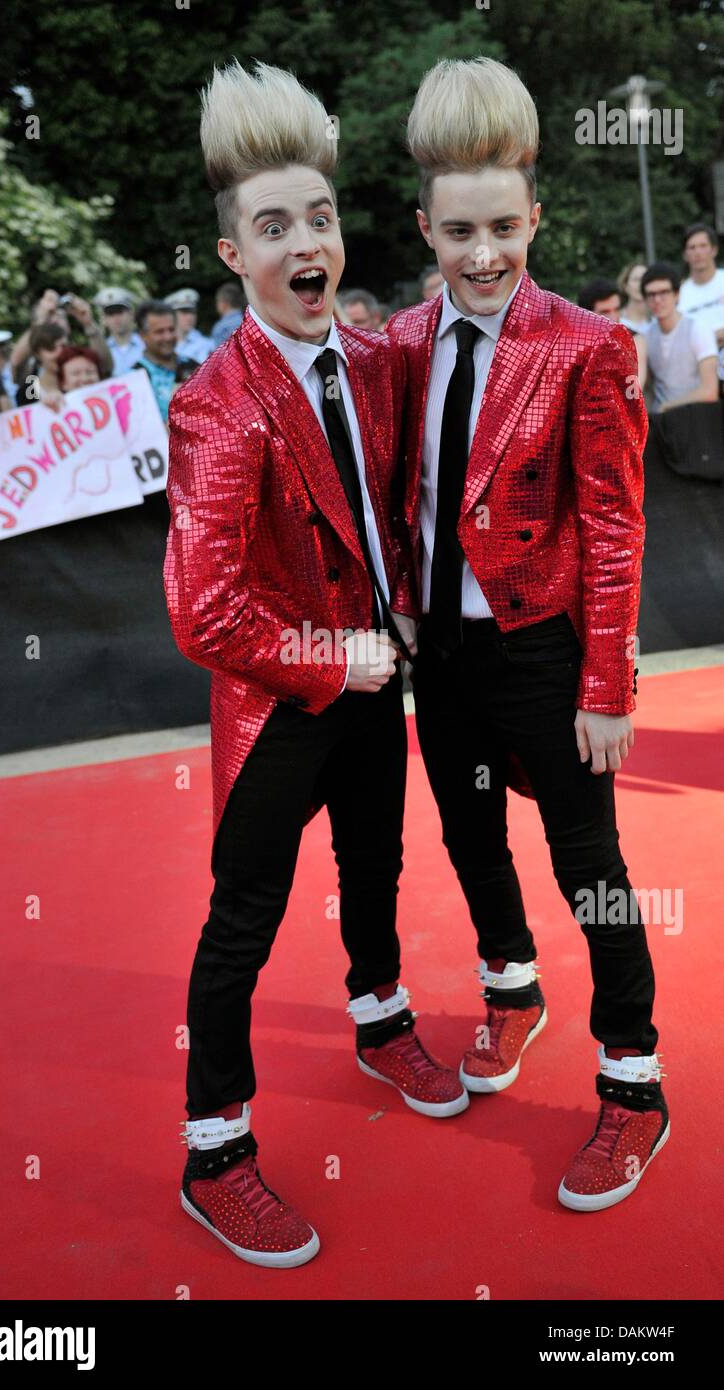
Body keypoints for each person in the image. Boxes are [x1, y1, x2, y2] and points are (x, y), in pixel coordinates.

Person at [162, 58, 467, 1270]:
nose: (306, 241)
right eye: (273, 225)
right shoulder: (213, 406)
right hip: (278, 705)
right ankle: (213, 1153)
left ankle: (379, 1014)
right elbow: (202, 610)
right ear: (232, 252)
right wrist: (327, 656)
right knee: (243, 920)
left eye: (321, 218)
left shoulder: (378, 360)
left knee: (377, 863)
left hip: (375, 689)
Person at [386, 55, 669, 1213]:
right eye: (460, 232)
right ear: (425, 225)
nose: (485, 253)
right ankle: (511, 985)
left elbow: (613, 526)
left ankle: (635, 1078)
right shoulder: (398, 342)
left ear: (536, 215)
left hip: (548, 652)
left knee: (590, 865)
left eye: (505, 225)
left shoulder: (587, 346)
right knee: (467, 835)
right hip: (442, 658)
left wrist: (607, 685)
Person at [642, 262, 719, 414]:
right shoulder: (646, 335)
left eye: (664, 292)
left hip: (698, 415)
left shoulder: (697, 328)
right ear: (645, 299)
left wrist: (667, 407)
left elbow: (710, 391)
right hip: (661, 424)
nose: (657, 300)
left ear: (677, 294)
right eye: (651, 294)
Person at [135, 300, 198, 424]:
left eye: (171, 329)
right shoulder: (136, 378)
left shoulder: (194, 366)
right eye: (160, 332)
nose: (168, 337)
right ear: (143, 335)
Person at [678, 222, 724, 390]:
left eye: (703, 246)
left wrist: (706, 339)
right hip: (698, 371)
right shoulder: (680, 294)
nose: (698, 252)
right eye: (692, 247)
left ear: (714, 250)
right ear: (685, 254)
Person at [94, 287, 145, 375]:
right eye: (110, 314)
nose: (116, 318)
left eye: (120, 312)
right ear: (104, 320)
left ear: (131, 314)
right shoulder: (101, 351)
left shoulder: (147, 344)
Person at [164, 288, 214, 363]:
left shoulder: (206, 344)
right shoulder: (163, 342)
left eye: (193, 312)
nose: (190, 317)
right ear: (171, 315)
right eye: (184, 312)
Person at [209, 281, 244, 346]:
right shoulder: (247, 321)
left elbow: (216, 353)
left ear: (223, 303)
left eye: (218, 301)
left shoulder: (221, 327)